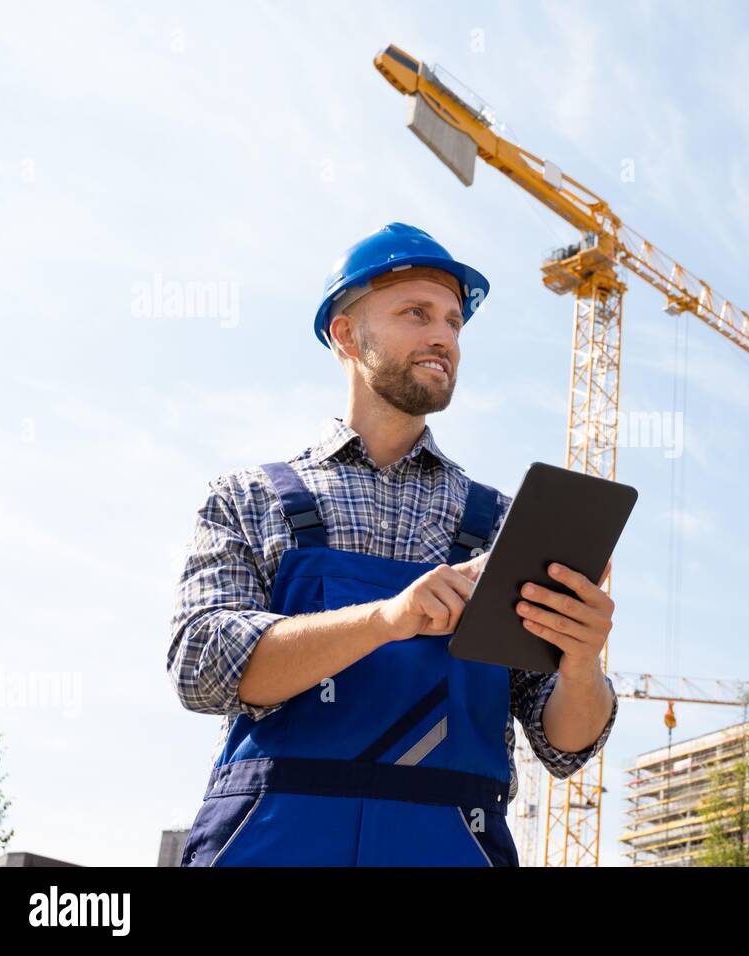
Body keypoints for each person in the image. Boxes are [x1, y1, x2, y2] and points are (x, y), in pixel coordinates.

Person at [167, 223, 618, 866]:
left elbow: (563, 743)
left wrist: (581, 661)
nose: (444, 337)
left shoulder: (501, 523)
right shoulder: (248, 499)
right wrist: (388, 618)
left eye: (455, 322)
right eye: (417, 313)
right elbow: (202, 666)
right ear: (346, 335)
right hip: (272, 843)